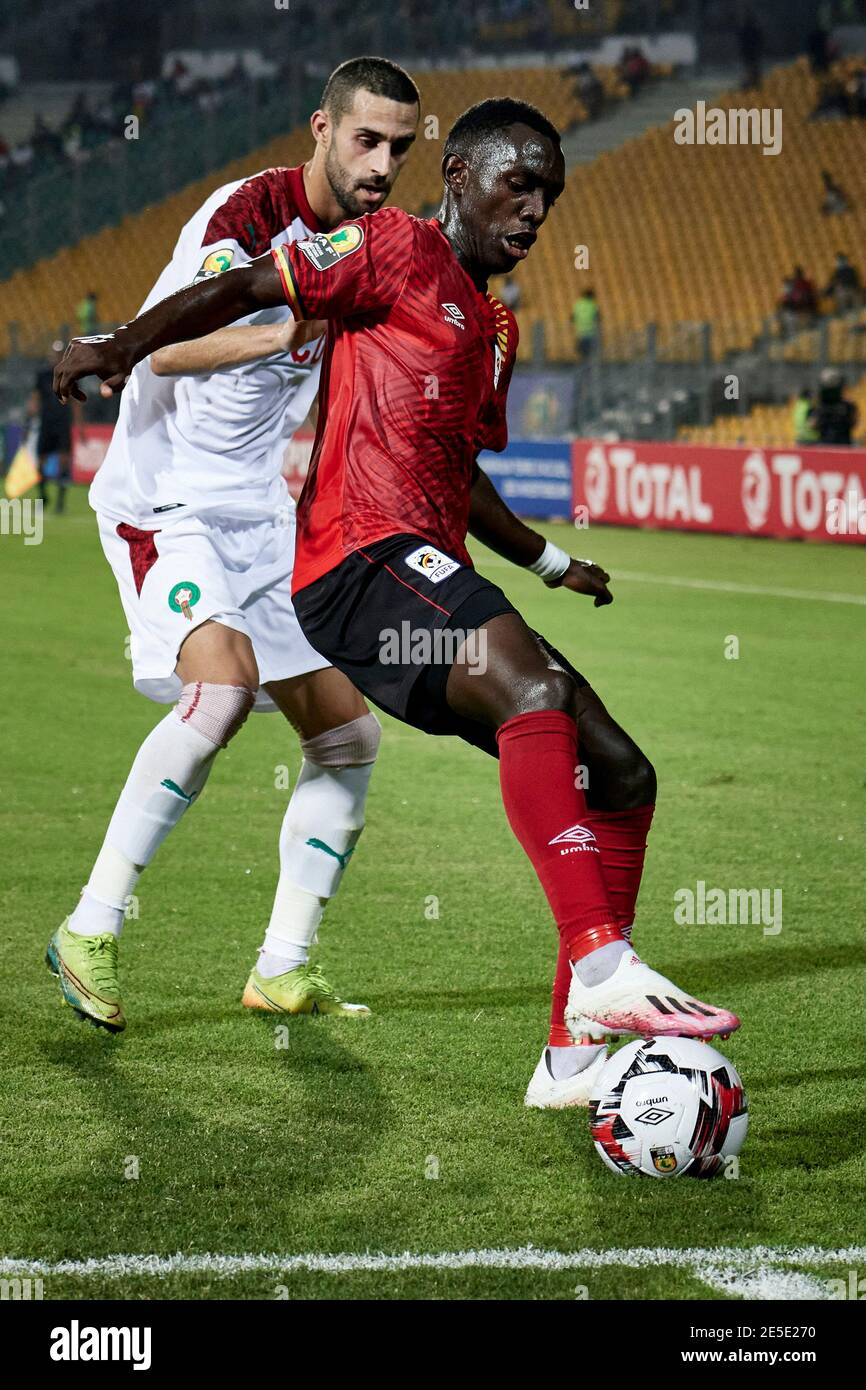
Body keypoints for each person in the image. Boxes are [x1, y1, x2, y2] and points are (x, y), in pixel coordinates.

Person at [55, 97, 740, 1106]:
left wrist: (553, 563)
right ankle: (599, 965)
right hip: (352, 562)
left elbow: (463, 478)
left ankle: (565, 1055)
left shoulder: (495, 327)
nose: (535, 210)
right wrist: (118, 347)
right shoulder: (387, 247)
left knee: (621, 771)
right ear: (457, 175)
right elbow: (246, 282)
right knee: (530, 687)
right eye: (519, 184)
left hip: (415, 565)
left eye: (549, 196)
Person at [45, 56, 421, 1034]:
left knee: (347, 735)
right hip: (163, 500)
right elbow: (160, 347)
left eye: (399, 148)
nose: (380, 163)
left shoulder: (374, 245)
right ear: (321, 129)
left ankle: (281, 966)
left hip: (256, 514)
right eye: (365, 139)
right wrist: (280, 329)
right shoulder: (245, 219)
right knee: (221, 689)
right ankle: (88, 926)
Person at [29, 341, 73, 513]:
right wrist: (31, 416)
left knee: (63, 461)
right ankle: (42, 495)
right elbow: (35, 397)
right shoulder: (43, 375)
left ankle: (60, 503)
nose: (55, 357)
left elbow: (76, 402)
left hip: (63, 423)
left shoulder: (70, 375)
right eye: (54, 354)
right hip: (46, 422)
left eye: (59, 354)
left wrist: (80, 425)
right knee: (40, 459)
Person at [810, 368, 858, 446]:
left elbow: (812, 424)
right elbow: (812, 424)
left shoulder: (847, 406)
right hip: (829, 446)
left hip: (841, 446)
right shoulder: (820, 406)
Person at [572, 287, 600, 360]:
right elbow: (597, 317)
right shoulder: (593, 305)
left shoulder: (578, 304)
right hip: (591, 332)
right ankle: (589, 368)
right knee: (591, 352)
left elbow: (572, 317)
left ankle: (582, 366)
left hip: (580, 332)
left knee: (582, 352)